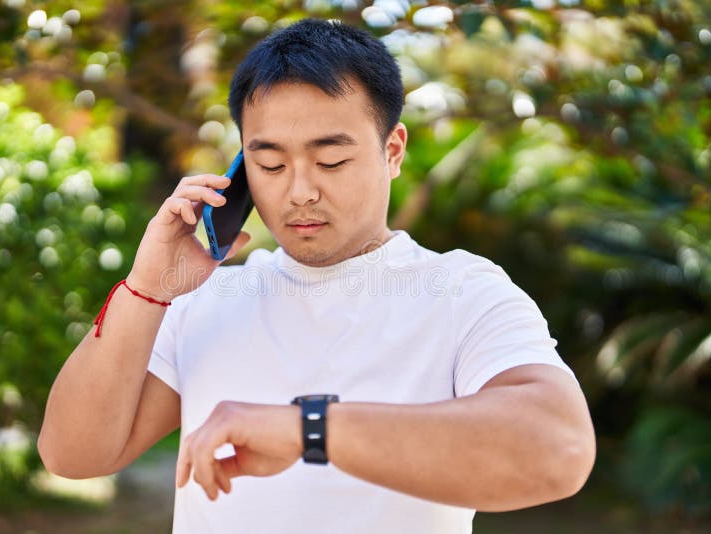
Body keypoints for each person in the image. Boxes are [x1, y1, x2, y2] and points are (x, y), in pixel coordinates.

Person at [37, 18, 596, 533]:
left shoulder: (462, 292)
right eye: (271, 164)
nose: (299, 190)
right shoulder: (207, 300)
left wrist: (308, 429)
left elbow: (560, 450)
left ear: (392, 150)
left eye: (330, 160)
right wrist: (146, 289)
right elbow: (73, 454)